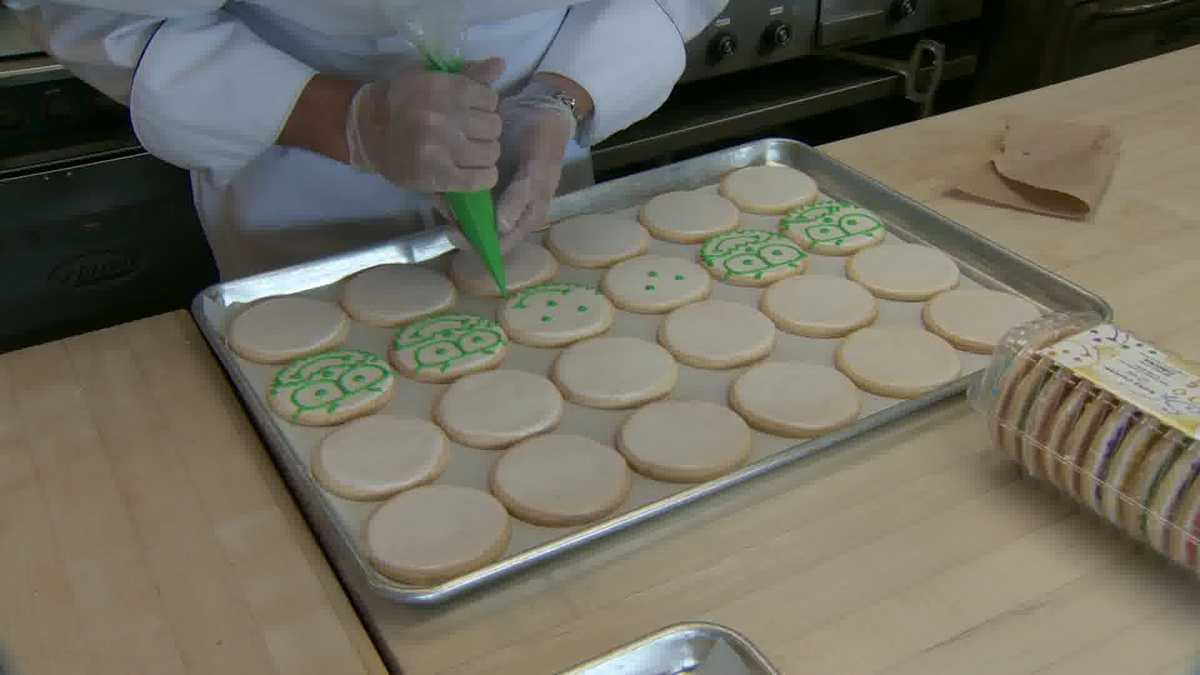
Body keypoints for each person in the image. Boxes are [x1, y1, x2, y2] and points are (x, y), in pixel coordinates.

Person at [9, 0, 726, 279]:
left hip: (550, 107)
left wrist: (563, 97)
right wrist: (349, 120)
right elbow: (98, 15)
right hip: (296, 153)